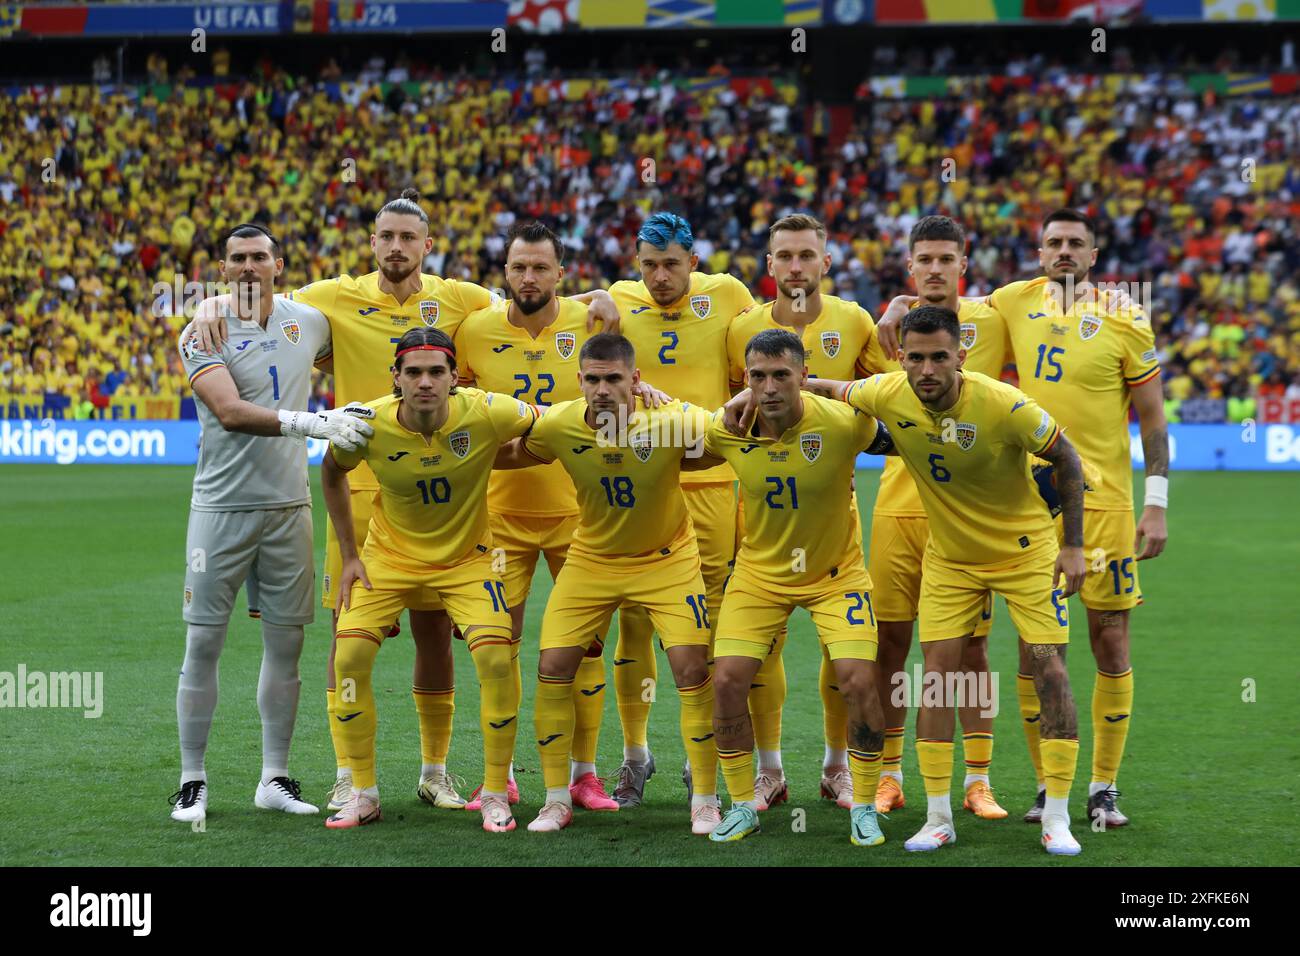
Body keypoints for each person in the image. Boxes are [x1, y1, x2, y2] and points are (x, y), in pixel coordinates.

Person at [191, 189, 620, 813]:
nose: (396, 247)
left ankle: (435, 770)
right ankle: (349, 776)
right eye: (386, 236)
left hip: (434, 492)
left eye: (408, 237)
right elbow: (258, 295)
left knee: (435, 634)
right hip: (359, 487)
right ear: (372, 242)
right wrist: (210, 302)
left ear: (427, 244)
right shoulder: (332, 297)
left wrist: (593, 297)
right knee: (346, 636)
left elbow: (528, 301)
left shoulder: (461, 299)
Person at [737, 306, 1089, 856]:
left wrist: (1073, 545)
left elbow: (1067, 456)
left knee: (1049, 667)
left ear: (960, 357)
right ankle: (938, 816)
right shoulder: (886, 391)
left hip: (1025, 554)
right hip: (951, 559)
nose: (927, 370)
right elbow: (825, 385)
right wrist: (749, 395)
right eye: (916, 358)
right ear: (900, 357)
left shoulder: (1005, 404)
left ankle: (1058, 817)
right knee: (937, 678)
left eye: (939, 357)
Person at [877, 209, 1169, 828]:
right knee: (1033, 651)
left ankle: (1104, 787)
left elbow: (1153, 416)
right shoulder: (1011, 301)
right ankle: (1043, 788)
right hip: (1032, 502)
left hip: (1106, 501)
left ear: (1093, 254)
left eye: (1076, 243)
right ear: (1039, 253)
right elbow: (941, 303)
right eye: (1053, 242)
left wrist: (1157, 501)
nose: (1064, 251)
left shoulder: (1126, 315)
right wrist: (901, 304)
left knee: (1110, 638)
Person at [455, 220, 669, 812]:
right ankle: (499, 778)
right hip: (500, 515)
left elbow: (624, 382)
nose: (529, 277)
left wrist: (650, 396)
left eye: (540, 268)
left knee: (585, 650)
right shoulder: (474, 330)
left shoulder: (594, 319)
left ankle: (584, 775)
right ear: (504, 271)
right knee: (497, 648)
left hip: (580, 515)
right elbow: (457, 408)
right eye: (519, 267)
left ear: (561, 273)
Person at [171, 223, 372, 825]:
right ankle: (191, 780)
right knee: (203, 643)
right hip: (221, 509)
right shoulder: (200, 329)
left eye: (260, 257)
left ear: (278, 265)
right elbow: (230, 412)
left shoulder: (308, 320)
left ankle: (273, 778)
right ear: (223, 268)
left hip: (289, 509)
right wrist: (311, 423)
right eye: (238, 258)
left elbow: (364, 341)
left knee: (287, 647)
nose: (249, 266)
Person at [494, 333, 719, 834]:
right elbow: (507, 453)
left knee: (690, 667)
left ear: (635, 380)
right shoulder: (559, 424)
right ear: (579, 380)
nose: (601, 389)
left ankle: (705, 800)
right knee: (553, 664)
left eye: (613, 378)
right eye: (592, 379)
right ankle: (556, 800)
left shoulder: (671, 420)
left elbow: (731, 440)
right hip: (592, 560)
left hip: (667, 561)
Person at [320, 327, 535, 834]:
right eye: (413, 372)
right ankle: (362, 792)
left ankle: (494, 792)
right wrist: (349, 555)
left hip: (469, 561)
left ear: (454, 377)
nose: (425, 382)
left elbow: (552, 425)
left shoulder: (487, 411)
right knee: (348, 657)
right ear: (395, 377)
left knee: (496, 659)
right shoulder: (366, 423)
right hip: (388, 558)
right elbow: (331, 472)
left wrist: (496, 456)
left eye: (436, 372)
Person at [698, 329, 894, 846]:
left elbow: (906, 420)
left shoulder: (845, 423)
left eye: (781, 375)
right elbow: (676, 444)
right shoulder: (726, 429)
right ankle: (743, 803)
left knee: (859, 681)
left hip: (836, 575)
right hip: (759, 576)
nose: (769, 387)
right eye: (758, 376)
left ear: (804, 375)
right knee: (727, 680)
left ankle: (864, 804)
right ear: (745, 378)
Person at [861, 215, 1016, 819]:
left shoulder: (994, 320)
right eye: (923, 259)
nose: (934, 269)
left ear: (963, 265)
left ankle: (978, 780)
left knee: (971, 652)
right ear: (909, 266)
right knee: (890, 646)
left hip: (968, 518)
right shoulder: (887, 329)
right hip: (898, 508)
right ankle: (888, 775)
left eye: (945, 259)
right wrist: (892, 313)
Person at [605, 212, 755, 807]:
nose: (660, 277)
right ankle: (635, 754)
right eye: (649, 265)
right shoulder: (618, 299)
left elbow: (760, 362)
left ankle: (706, 754)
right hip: (641, 479)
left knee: (709, 622)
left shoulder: (730, 295)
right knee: (634, 618)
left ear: (694, 260)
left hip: (711, 480)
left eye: (671, 264)